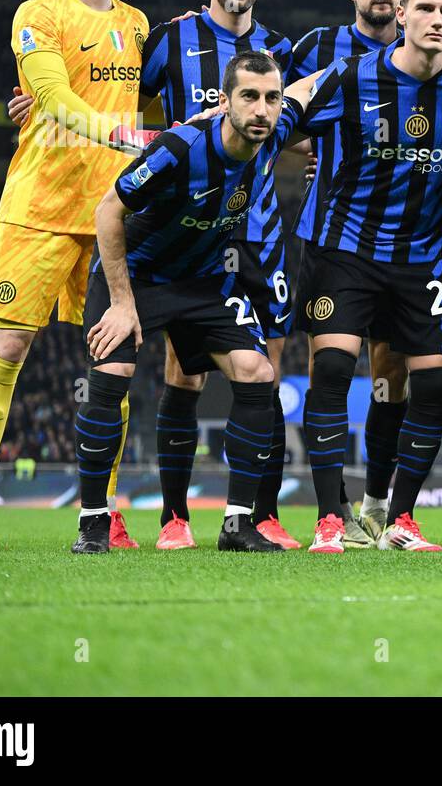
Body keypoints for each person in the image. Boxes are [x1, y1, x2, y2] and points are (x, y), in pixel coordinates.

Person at [0, 0, 152, 551]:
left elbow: (159, 89)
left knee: (113, 360)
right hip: (38, 208)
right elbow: (54, 97)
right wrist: (125, 134)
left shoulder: (137, 24)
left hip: (109, 216)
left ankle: (104, 510)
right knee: (9, 347)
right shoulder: (39, 14)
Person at [73, 50, 318, 553]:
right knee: (112, 374)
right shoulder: (180, 147)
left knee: (257, 371)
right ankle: (93, 521)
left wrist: (392, 48)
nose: (262, 109)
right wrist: (122, 303)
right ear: (224, 101)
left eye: (271, 98)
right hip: (136, 277)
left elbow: (309, 86)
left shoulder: (272, 134)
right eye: (249, 97)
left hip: (203, 280)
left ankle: (238, 523)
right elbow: (108, 211)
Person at [295, 0, 442, 553]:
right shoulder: (351, 76)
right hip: (346, 248)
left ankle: (401, 520)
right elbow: (283, 121)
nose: (436, 20)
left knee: (432, 383)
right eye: (426, 9)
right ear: (403, 13)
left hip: (424, 254)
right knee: (332, 370)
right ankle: (330, 519)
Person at [288, 0, 413, 546]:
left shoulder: (426, 51)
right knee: (330, 366)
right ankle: (331, 510)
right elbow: (271, 106)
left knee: (390, 374)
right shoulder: (316, 48)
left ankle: (377, 504)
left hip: (405, 243)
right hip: (331, 236)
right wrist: (307, 147)